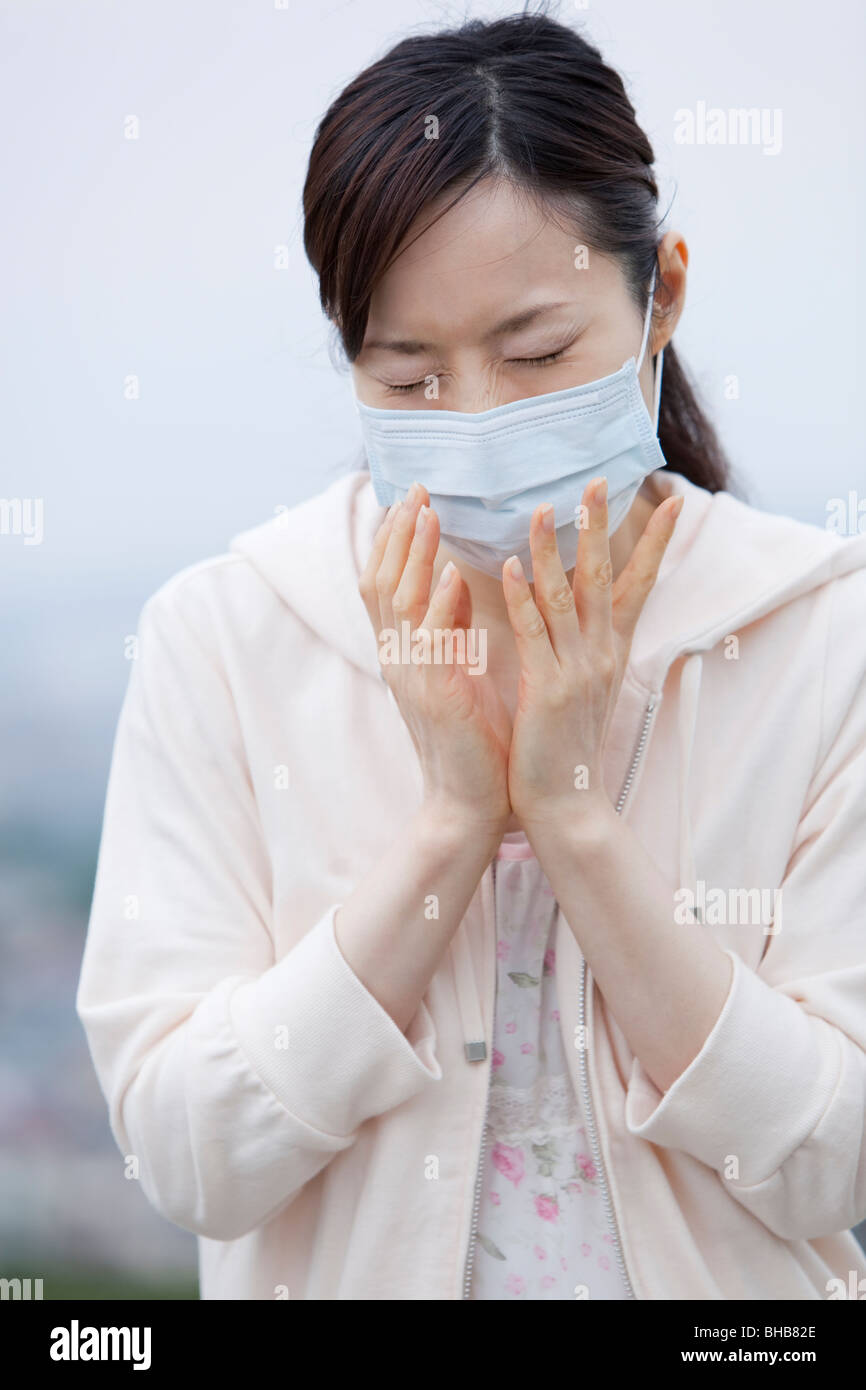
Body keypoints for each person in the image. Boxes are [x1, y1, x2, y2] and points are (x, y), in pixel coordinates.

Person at [77, 8, 866, 1300]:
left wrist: (574, 821)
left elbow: (833, 1159)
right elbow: (186, 1154)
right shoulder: (226, 636)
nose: (481, 423)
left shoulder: (819, 634)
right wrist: (451, 824)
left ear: (662, 293)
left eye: (535, 353)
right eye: (410, 379)